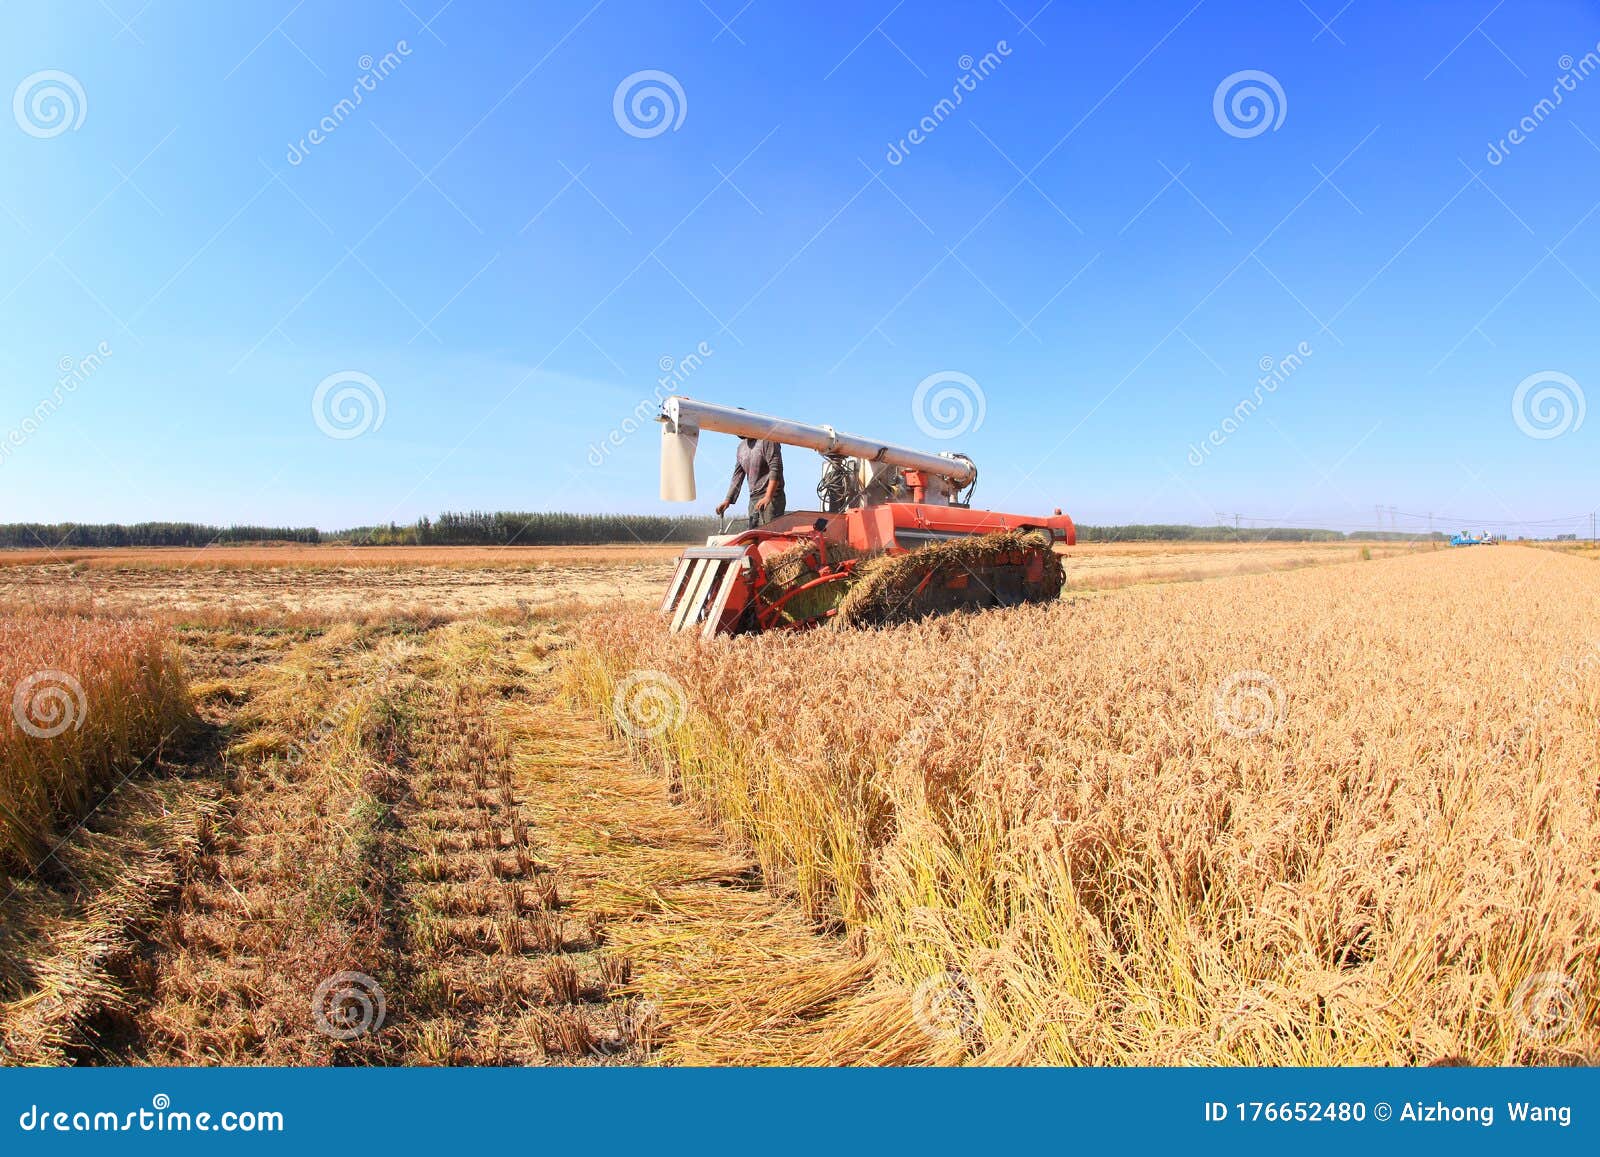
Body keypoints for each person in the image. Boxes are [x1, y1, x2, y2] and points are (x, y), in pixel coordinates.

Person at [716, 435, 785, 529]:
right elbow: (737, 475)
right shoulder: (741, 448)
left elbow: (776, 469)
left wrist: (768, 497)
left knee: (769, 534)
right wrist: (727, 500)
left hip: (772, 497)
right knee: (754, 534)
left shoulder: (768, 440)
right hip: (753, 498)